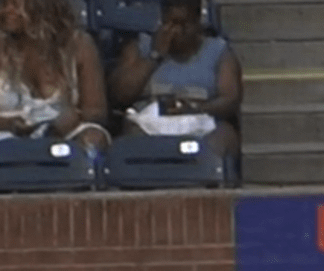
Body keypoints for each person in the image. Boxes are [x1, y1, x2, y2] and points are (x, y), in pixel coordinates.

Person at [108, 0, 242, 161]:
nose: (177, 31)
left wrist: (195, 108)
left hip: (201, 118)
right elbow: (121, 95)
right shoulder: (140, 47)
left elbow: (230, 100)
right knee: (130, 138)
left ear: (197, 22)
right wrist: (155, 55)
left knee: (224, 137)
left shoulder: (218, 51)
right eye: (171, 24)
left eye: (184, 25)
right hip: (150, 120)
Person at [0, 0, 109, 153]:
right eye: (3, 4)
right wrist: (10, 124)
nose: (7, 10)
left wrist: (71, 119)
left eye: (16, 4)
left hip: (64, 130)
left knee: (94, 139)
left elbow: (97, 111)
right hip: (5, 133)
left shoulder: (79, 45)